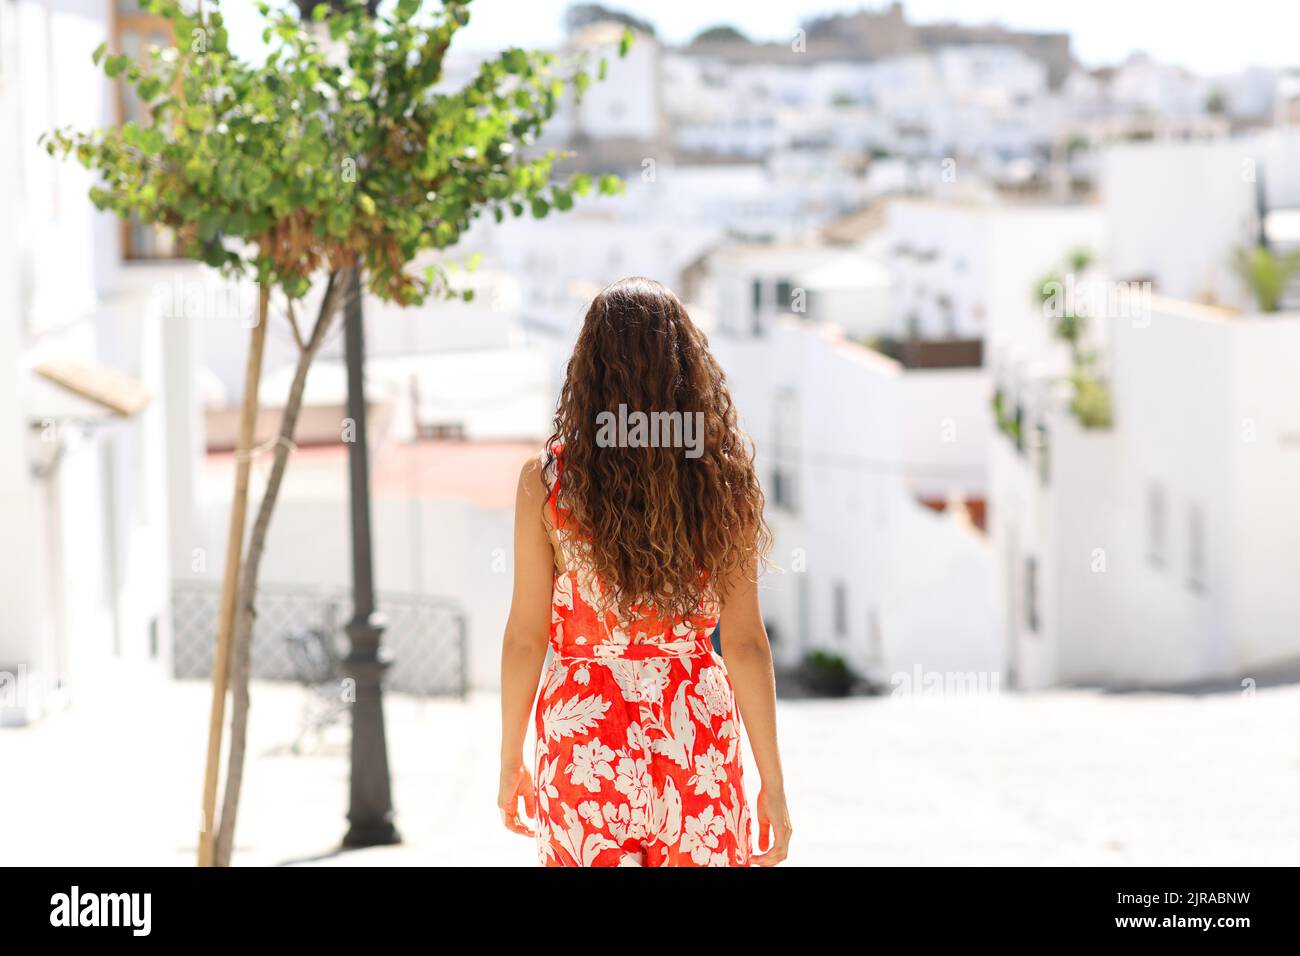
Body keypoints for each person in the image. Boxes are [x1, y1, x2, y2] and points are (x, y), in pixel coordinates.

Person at [497, 276, 791, 866]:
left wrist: (510, 761)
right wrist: (773, 788)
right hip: (694, 727)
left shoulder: (548, 485)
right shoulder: (724, 483)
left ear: (588, 372)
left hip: (586, 734)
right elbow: (744, 644)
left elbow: (526, 637)